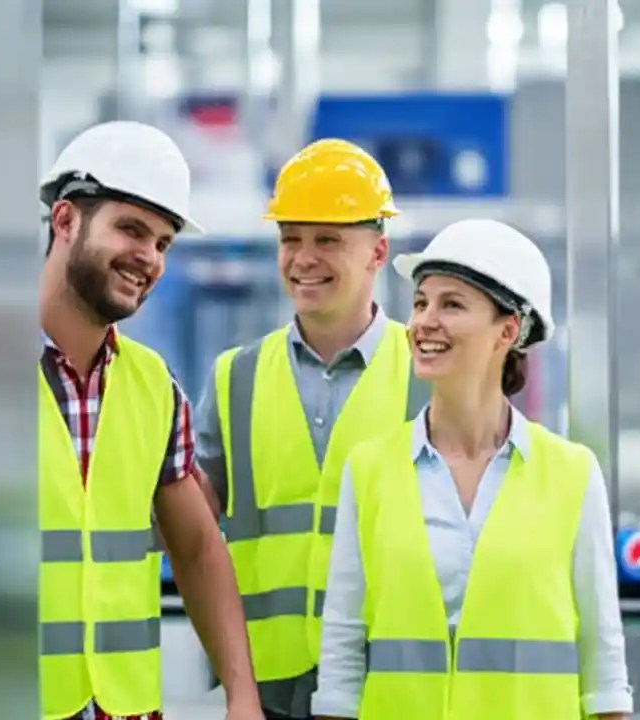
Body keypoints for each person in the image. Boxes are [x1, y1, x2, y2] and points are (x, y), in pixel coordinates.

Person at [311, 218, 633, 720]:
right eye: (421, 303)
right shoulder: (370, 471)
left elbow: (604, 664)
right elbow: (341, 656)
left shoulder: (572, 474)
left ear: (508, 330)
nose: (424, 321)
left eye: (452, 304)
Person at [37, 120, 265, 720]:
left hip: (126, 709)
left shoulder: (153, 385)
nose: (149, 258)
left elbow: (197, 548)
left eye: (163, 243)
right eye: (131, 229)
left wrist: (241, 692)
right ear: (65, 221)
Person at [195, 138, 426, 720]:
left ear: (378, 251)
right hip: (267, 686)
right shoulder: (235, 378)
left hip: (393, 683)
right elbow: (193, 536)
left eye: (328, 240)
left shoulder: (427, 373)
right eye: (290, 238)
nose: (303, 258)